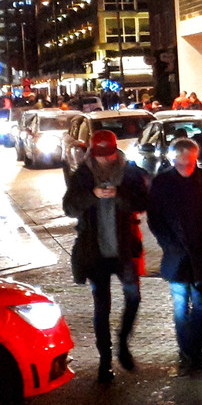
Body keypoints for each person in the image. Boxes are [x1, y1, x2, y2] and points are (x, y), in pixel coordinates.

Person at [61, 129, 149, 384]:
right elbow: (68, 207)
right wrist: (92, 196)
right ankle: (105, 361)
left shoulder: (129, 171)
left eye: (109, 155)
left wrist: (119, 197)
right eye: (101, 156)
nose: (105, 160)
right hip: (95, 252)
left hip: (123, 249)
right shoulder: (83, 174)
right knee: (102, 307)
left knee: (133, 296)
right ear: (92, 153)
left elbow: (142, 202)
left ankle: (123, 343)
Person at [146, 139, 202, 375]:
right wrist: (169, 245)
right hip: (178, 256)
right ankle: (187, 352)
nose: (185, 168)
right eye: (181, 164)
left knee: (200, 304)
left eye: (189, 163)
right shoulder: (163, 183)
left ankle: (195, 351)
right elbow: (155, 218)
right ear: (173, 161)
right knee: (181, 305)